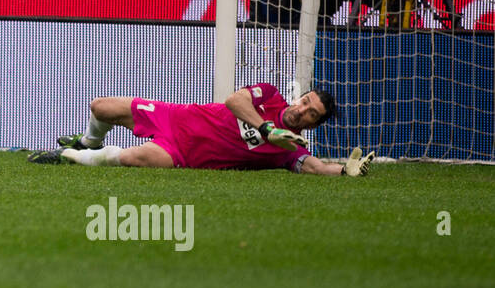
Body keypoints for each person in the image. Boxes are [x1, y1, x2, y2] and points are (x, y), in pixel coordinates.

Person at [26, 84, 370, 176]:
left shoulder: (290, 149)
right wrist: (266, 128)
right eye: (306, 101)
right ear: (299, 97)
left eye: (311, 114)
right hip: (175, 117)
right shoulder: (269, 96)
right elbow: (235, 101)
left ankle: (68, 156)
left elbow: (313, 166)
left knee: (133, 158)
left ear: (313, 124)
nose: (303, 110)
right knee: (100, 106)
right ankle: (86, 141)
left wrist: (343, 171)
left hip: (183, 154)